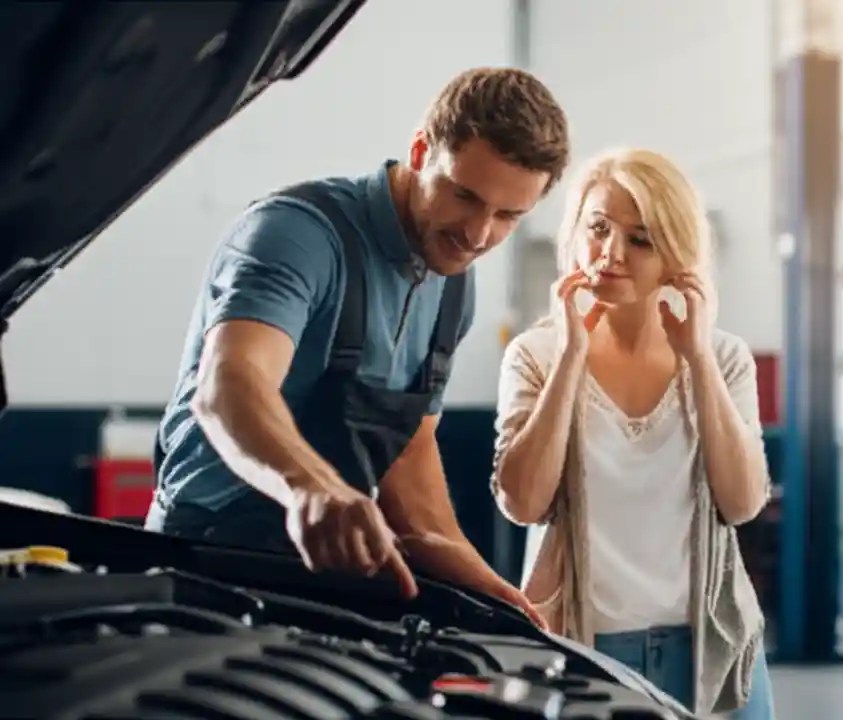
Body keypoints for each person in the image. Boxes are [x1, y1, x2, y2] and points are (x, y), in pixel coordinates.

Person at [144, 67, 569, 625]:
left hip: (325, 575)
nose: (478, 234)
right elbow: (229, 385)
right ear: (420, 152)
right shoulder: (296, 234)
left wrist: (487, 590)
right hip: (203, 562)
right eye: (464, 196)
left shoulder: (453, 285)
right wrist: (313, 490)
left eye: (509, 216)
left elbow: (408, 454)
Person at [490, 148, 775, 718]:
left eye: (641, 239)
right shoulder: (537, 354)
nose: (611, 254)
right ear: (575, 232)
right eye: (598, 229)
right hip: (579, 645)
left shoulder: (723, 357)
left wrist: (697, 357)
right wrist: (571, 353)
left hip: (708, 644)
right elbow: (521, 502)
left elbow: (743, 504)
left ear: (676, 255)